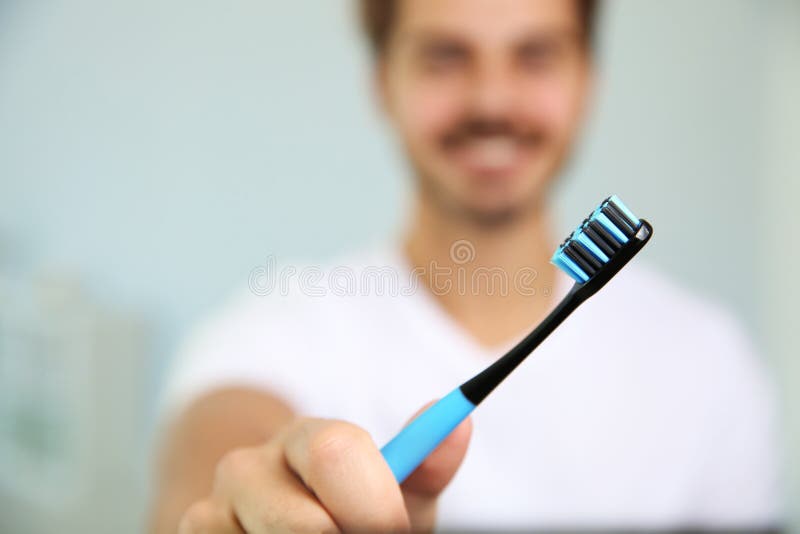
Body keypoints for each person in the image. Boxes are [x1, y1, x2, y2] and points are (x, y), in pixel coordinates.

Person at [150, 0, 782, 531]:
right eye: (445, 57)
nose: (491, 100)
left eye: (535, 55)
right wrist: (252, 502)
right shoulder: (268, 333)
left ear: (589, 79)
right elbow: (220, 456)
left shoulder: (708, 359)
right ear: (381, 83)